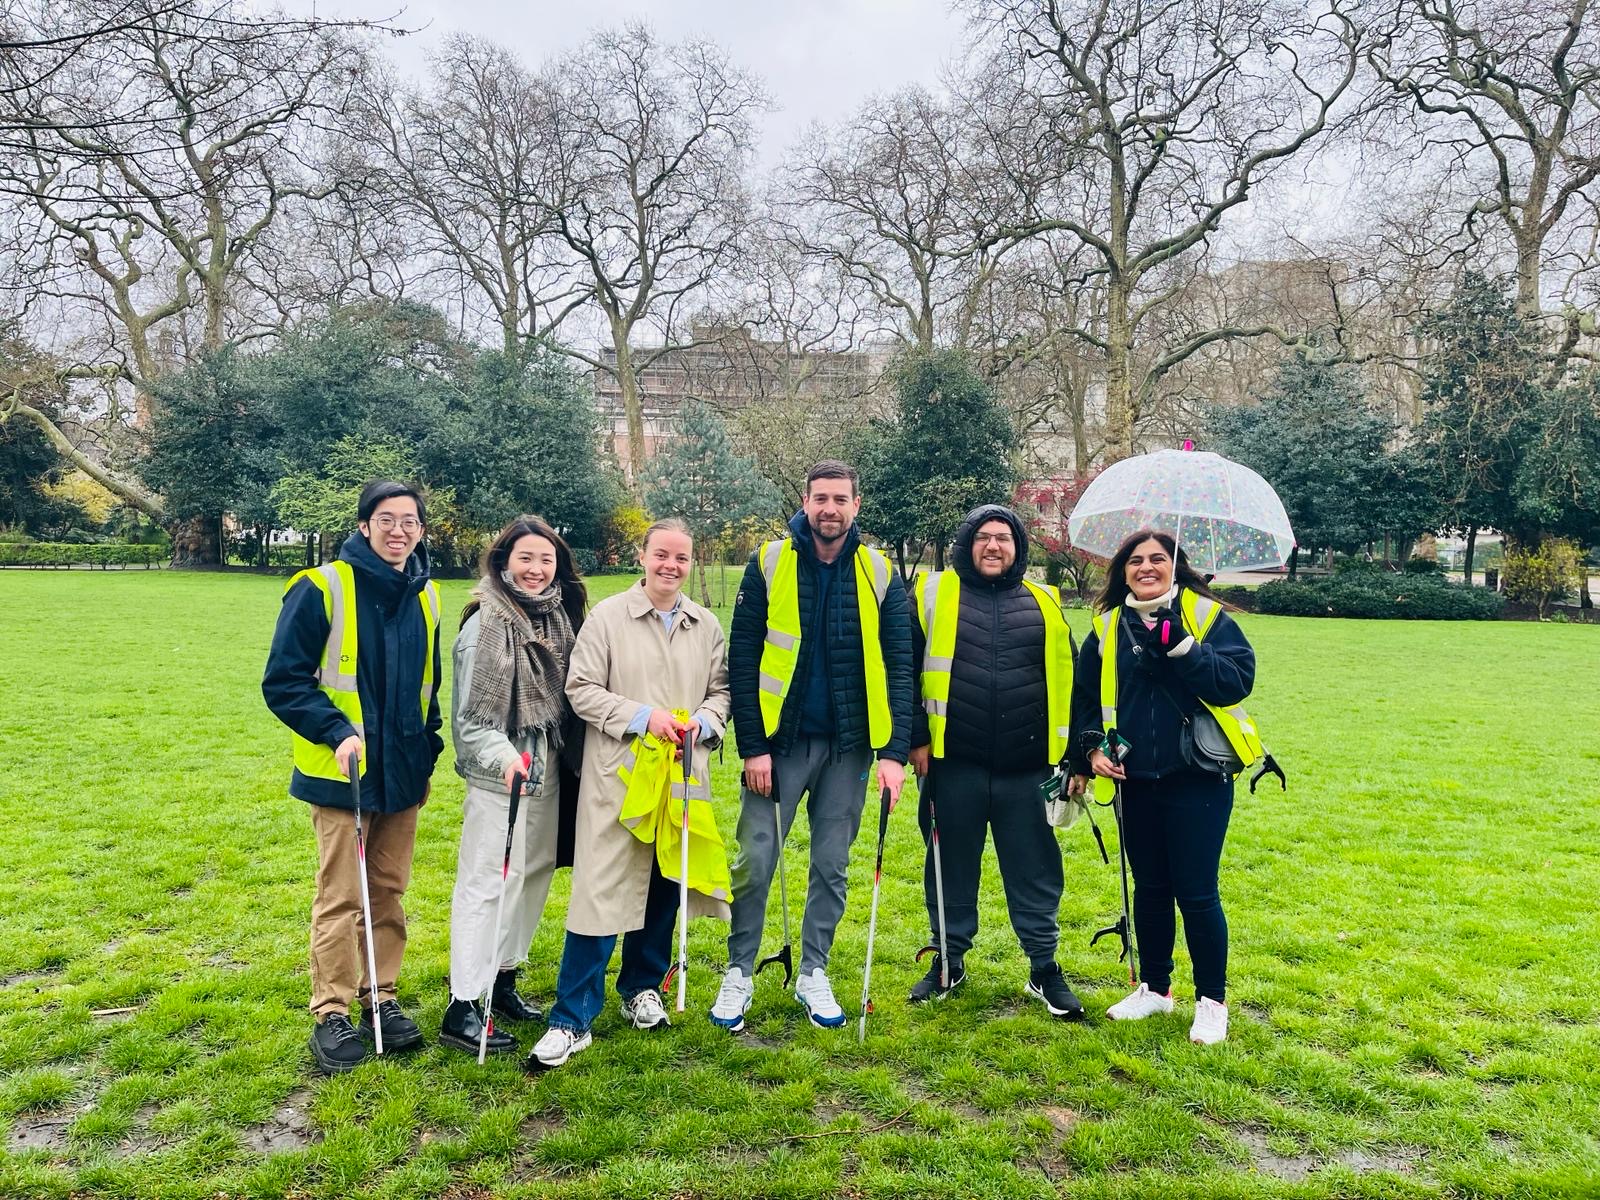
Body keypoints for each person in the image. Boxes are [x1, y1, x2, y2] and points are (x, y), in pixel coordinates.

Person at [711, 460, 913, 1032]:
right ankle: (739, 970)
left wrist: (894, 753)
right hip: (779, 744)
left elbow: (899, 665)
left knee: (831, 865)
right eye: (820, 498)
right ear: (805, 501)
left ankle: (813, 971)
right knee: (756, 860)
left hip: (850, 748)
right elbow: (743, 655)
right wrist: (752, 745)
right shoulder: (770, 561)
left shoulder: (879, 571)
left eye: (840, 499)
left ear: (856, 505)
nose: (830, 508)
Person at [529, 519, 731, 1069]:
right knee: (600, 895)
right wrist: (644, 717)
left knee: (665, 884)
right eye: (661, 554)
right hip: (618, 781)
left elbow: (721, 691)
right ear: (643, 557)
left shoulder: (706, 625)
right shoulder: (607, 619)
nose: (671, 565)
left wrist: (706, 724)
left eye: (682, 558)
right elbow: (581, 690)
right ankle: (571, 1018)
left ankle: (642, 988)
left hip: (680, 781)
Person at [262, 480, 443, 1075]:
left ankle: (380, 998)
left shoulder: (428, 595)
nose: (399, 530)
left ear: (421, 529)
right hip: (343, 777)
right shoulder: (321, 588)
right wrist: (337, 730)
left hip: (403, 773)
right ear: (364, 526)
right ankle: (332, 1012)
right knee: (342, 895)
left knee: (387, 891)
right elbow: (284, 682)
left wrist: (429, 749)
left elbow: (428, 690)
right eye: (387, 519)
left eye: (410, 521)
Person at [1067, 528, 1257, 1045]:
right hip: (1135, 780)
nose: (1146, 567)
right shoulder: (1106, 627)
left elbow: (1237, 681)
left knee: (1196, 893)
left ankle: (1211, 1001)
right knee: (1149, 890)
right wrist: (1091, 750)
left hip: (1198, 776)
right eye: (1135, 560)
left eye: (1157, 558)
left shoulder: (1205, 616)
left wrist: (1186, 649)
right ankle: (1154, 987)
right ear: (1121, 570)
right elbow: (1084, 697)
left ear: (1176, 565)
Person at [906, 504, 1084, 1017]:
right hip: (952, 764)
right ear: (967, 543)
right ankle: (948, 960)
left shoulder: (1045, 601)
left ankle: (1044, 967)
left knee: (1035, 871)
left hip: (1028, 769)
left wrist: (1074, 757)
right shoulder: (932, 593)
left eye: (1003, 538)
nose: (993, 546)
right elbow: (905, 671)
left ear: (1018, 547)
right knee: (949, 865)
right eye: (983, 537)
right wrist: (916, 738)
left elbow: (1069, 683)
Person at [440, 516, 586, 1055]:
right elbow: (472, 720)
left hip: (547, 772)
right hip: (500, 778)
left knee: (530, 878)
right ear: (504, 563)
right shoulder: (486, 623)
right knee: (485, 885)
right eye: (526, 559)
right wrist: (506, 758)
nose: (536, 569)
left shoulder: (556, 621)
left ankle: (502, 982)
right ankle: (462, 1005)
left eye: (546, 560)